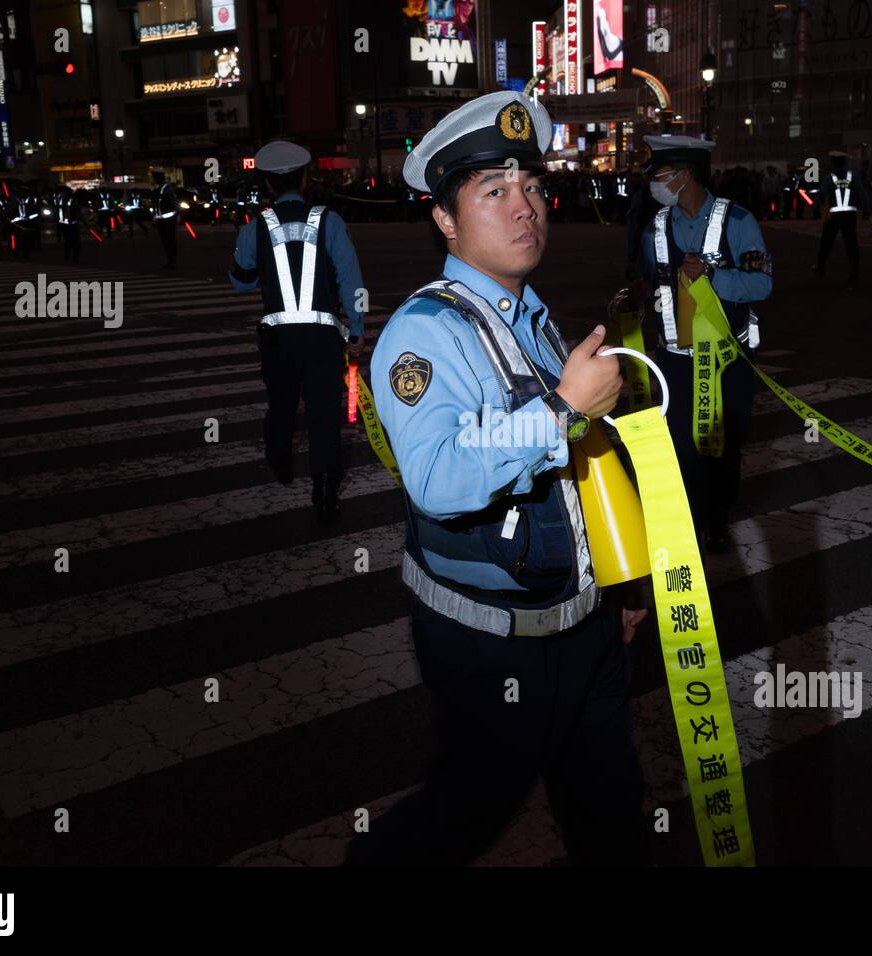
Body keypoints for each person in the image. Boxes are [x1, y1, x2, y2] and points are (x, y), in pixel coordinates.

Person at [343, 90, 651, 867]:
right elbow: (439, 478)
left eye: (534, 189)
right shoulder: (426, 330)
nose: (526, 209)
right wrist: (561, 409)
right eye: (494, 192)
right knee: (460, 816)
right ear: (445, 219)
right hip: (492, 644)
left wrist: (615, 590)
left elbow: (576, 472)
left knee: (610, 811)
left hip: (583, 625)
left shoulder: (532, 313)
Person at [635, 134, 773, 552]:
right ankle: (691, 518)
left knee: (725, 444)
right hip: (675, 358)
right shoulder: (654, 227)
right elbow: (651, 281)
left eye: (659, 176)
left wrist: (713, 278)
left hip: (726, 358)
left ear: (684, 175)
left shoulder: (738, 222)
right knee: (680, 444)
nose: (653, 185)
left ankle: (717, 518)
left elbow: (762, 284)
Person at [227, 139, 367, 521]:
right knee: (325, 412)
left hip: (278, 340)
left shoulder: (255, 227)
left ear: (268, 185)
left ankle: (280, 460)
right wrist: (357, 328)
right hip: (323, 337)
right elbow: (352, 279)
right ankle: (324, 490)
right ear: (305, 179)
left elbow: (241, 281)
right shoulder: (330, 221)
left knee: (282, 405)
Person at [812, 150, 869, 288]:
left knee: (827, 241)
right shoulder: (852, 176)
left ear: (833, 163)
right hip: (849, 215)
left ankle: (821, 265)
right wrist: (866, 210)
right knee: (851, 243)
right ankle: (854, 271)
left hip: (834, 216)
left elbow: (821, 194)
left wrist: (816, 209)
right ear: (844, 162)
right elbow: (862, 194)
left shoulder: (830, 178)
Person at [151, 170, 177, 268]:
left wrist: (175, 213)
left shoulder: (166, 188)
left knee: (169, 240)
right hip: (162, 219)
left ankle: (172, 260)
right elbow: (156, 205)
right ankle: (170, 260)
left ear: (159, 178)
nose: (153, 179)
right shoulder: (158, 188)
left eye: (154, 177)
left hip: (168, 219)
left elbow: (172, 203)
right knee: (165, 241)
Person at [54, 185, 81, 263]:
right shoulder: (69, 199)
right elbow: (77, 211)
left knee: (68, 241)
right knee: (73, 241)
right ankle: (72, 256)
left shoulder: (62, 199)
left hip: (67, 223)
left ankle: (69, 256)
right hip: (70, 224)